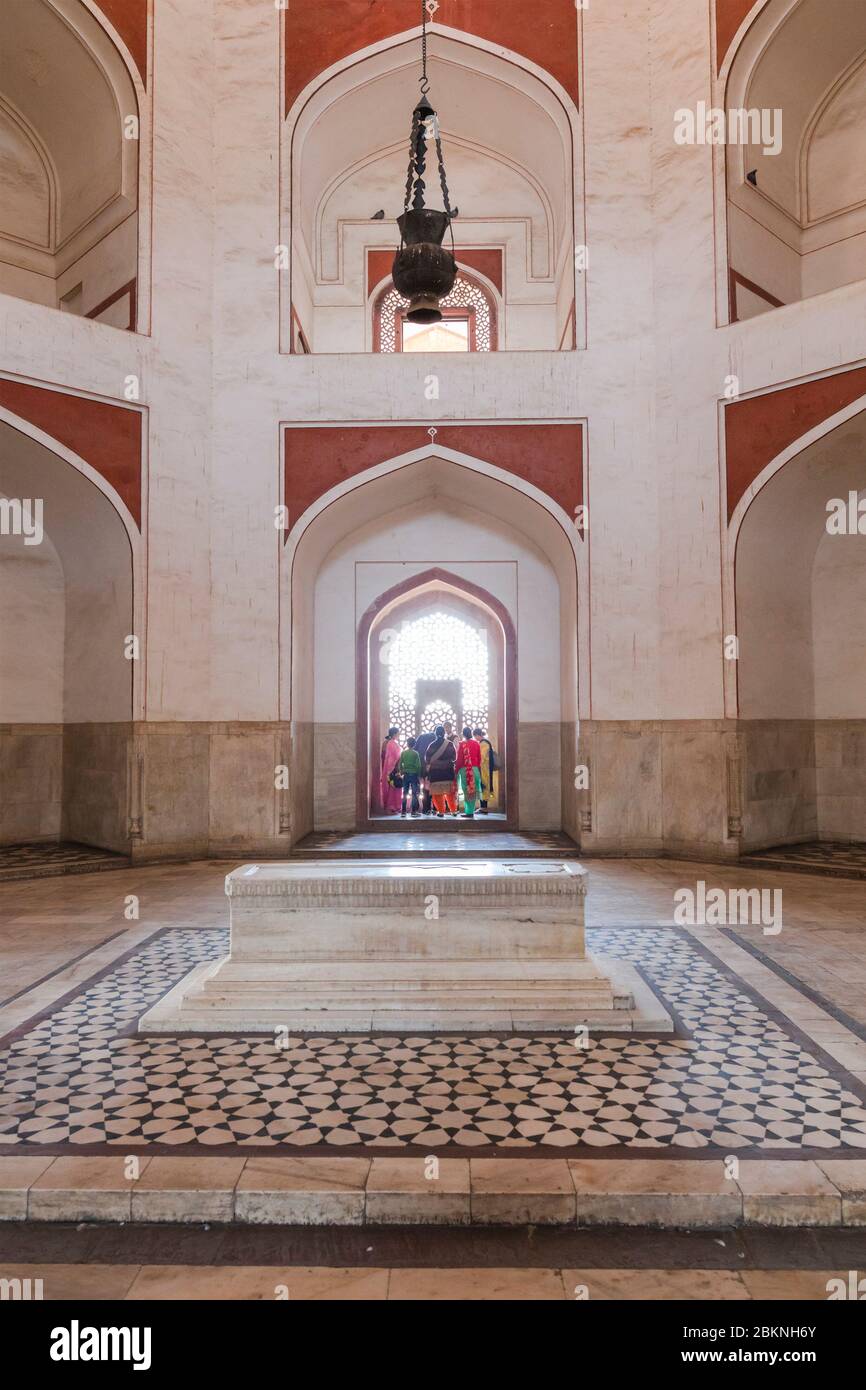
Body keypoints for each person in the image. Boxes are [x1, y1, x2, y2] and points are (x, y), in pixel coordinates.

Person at [425, 724, 457, 816]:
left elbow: (427, 759)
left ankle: (441, 811)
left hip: (436, 774)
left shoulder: (432, 745)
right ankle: (453, 810)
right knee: (450, 793)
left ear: (435, 733)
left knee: (437, 794)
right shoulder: (450, 744)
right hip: (448, 773)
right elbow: (454, 758)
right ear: (444, 733)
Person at [455, 726, 482, 818]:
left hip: (465, 770)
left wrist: (456, 770)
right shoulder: (476, 743)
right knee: (472, 791)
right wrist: (478, 769)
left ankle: (469, 812)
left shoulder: (462, 744)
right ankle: (470, 811)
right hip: (475, 770)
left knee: (467, 790)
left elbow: (459, 759)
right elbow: (479, 758)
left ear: (463, 734)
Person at [473, 726, 497, 815]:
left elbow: (482, 757)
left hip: (484, 769)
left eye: (475, 736)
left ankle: (484, 808)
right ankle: (483, 808)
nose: (475, 738)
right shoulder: (485, 742)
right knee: (483, 787)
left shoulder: (483, 743)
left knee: (483, 787)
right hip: (485, 768)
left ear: (477, 735)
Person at [414, 727, 437, 815]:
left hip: (421, 766)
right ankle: (435, 808)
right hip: (432, 766)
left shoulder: (421, 736)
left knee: (423, 788)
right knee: (433, 787)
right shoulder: (436, 738)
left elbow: (415, 750)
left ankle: (425, 809)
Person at [379, 725, 402, 814]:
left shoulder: (388, 742)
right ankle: (391, 807)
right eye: (398, 733)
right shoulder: (391, 743)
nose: (399, 735)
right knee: (393, 788)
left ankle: (392, 807)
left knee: (391, 787)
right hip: (392, 769)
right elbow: (393, 757)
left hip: (388, 768)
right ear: (394, 734)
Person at [398, 737, 422, 817]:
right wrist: (418, 775)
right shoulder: (415, 753)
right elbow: (418, 766)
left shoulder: (403, 753)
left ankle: (403, 812)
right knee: (414, 794)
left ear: (407, 744)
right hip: (414, 775)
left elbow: (400, 764)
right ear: (414, 744)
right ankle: (413, 811)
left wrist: (401, 771)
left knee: (405, 793)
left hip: (406, 775)